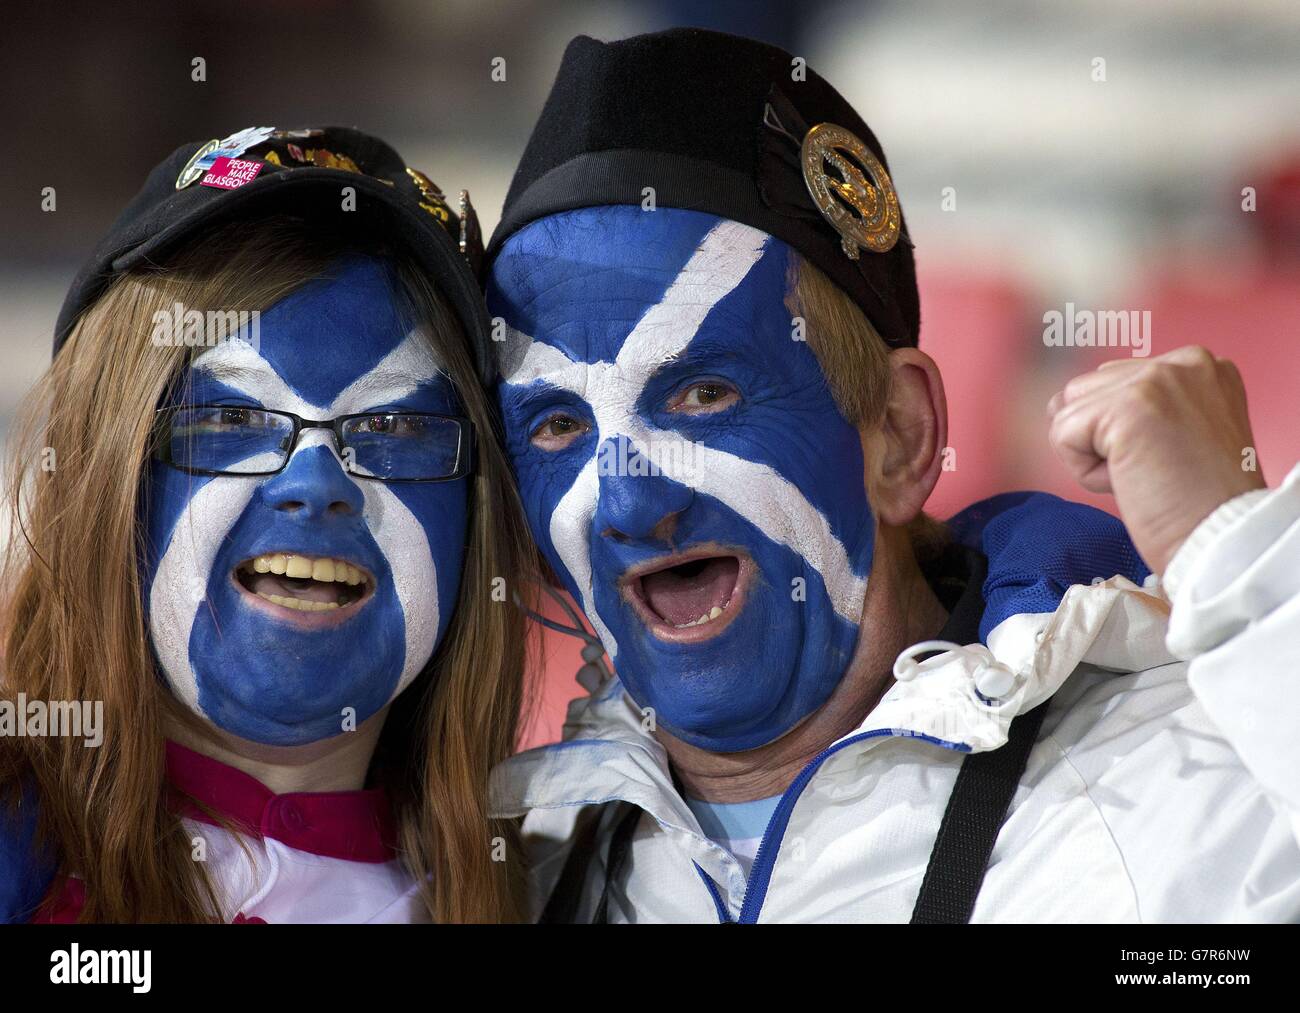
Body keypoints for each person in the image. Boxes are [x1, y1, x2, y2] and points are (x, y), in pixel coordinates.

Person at [485, 28, 1300, 922]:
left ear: (903, 436)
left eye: (705, 393)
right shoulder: (512, 876)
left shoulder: (1170, 804)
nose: (632, 503)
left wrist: (1244, 566)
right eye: (559, 424)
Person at [0, 127, 532, 923]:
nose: (317, 485)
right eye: (230, 415)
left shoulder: (558, 889)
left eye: (389, 429)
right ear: (105, 468)